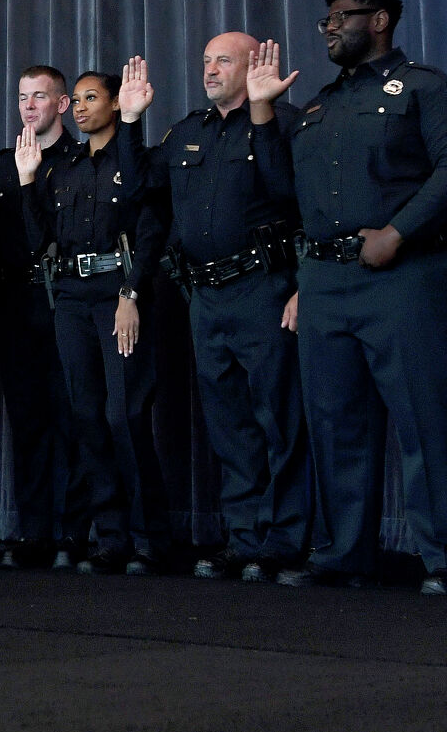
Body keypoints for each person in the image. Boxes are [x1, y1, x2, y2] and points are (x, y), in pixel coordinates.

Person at [269, 0, 447, 594]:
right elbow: (289, 194)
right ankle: (345, 554)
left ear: (381, 20)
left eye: (342, 16)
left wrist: (399, 231)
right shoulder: (319, 106)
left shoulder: (426, 87)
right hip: (325, 278)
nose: (330, 28)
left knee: (427, 416)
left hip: (407, 274)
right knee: (335, 420)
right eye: (327, 20)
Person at [114, 38, 307, 581]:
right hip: (206, 296)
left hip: (266, 288)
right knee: (229, 425)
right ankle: (243, 539)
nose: (210, 70)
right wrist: (129, 122)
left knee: (280, 419)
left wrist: (304, 287)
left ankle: (286, 541)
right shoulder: (186, 131)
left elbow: (298, 198)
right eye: (205, 61)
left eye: (223, 60)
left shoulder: (284, 123)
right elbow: (138, 187)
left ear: (253, 65)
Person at [19, 71, 171, 574]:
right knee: (86, 416)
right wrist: (27, 181)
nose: (81, 108)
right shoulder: (63, 169)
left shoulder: (137, 162)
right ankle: (112, 538)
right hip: (71, 298)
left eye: (92, 98)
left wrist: (131, 292)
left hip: (118, 295)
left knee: (124, 416)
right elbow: (38, 239)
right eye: (78, 100)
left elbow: (150, 231)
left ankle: (149, 539)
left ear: (116, 103)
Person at [0, 66, 83, 568]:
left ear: (62, 104)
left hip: (66, 301)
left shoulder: (80, 161)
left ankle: (74, 534)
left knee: (73, 418)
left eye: (40, 96)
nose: (29, 106)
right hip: (16, 306)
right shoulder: (0, 166)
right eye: (22, 97)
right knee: (27, 422)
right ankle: (34, 533)